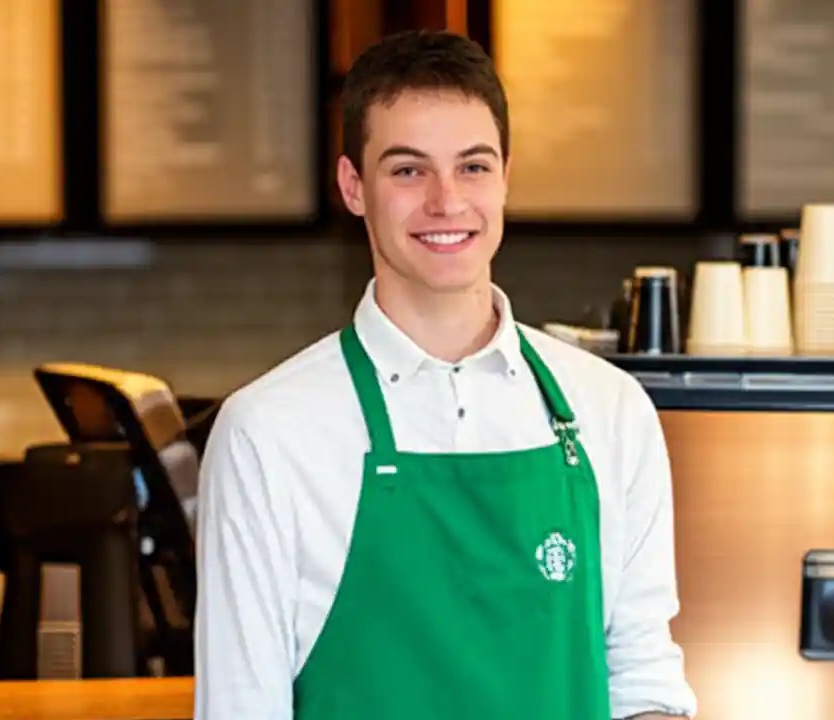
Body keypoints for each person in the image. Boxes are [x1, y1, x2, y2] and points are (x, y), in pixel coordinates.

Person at [194, 29, 697, 720]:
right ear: (353, 186)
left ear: (506, 177)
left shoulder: (610, 410)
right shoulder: (268, 434)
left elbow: (641, 672)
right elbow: (240, 706)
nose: (446, 201)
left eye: (473, 167)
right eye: (407, 170)